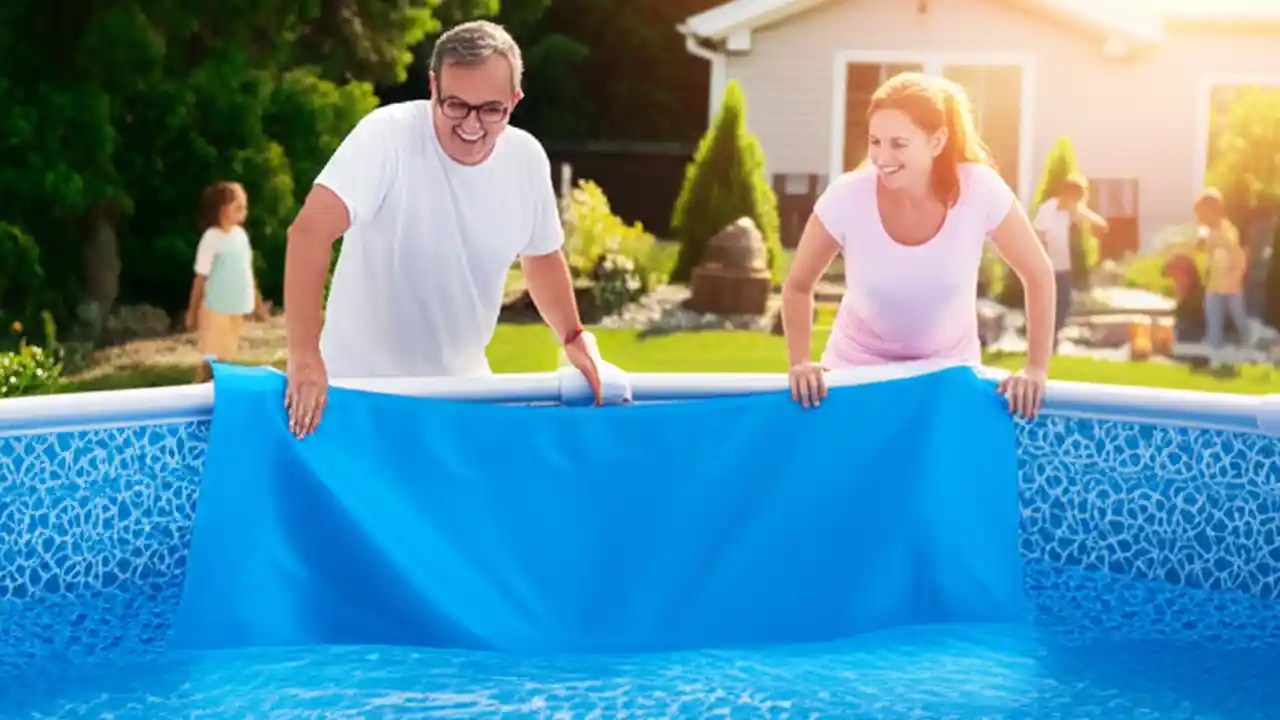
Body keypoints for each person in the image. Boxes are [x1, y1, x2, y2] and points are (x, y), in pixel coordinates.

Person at [281, 20, 604, 438]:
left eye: (491, 110)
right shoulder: (387, 137)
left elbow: (541, 257)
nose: (471, 125)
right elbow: (309, 232)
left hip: (460, 395)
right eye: (455, 105)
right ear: (433, 87)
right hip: (358, 394)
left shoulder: (526, 159)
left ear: (515, 99)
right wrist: (304, 356)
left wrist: (573, 336)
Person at [781, 72, 1056, 418]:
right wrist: (801, 363)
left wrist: (1035, 369)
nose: (882, 157)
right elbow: (797, 286)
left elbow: (1038, 273)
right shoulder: (847, 196)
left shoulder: (980, 189)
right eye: (875, 141)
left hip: (948, 378)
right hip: (856, 375)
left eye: (898, 143)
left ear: (937, 142)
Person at [186, 180, 266, 383]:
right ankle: (198, 392)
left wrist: (257, 303)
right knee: (211, 360)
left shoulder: (241, 236)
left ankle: (218, 395)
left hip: (236, 308)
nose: (243, 212)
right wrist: (192, 311)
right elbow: (200, 278)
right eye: (238, 207)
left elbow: (247, 272)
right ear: (222, 210)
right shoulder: (211, 238)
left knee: (227, 358)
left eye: (244, 207)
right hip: (215, 309)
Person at [1031, 175, 1109, 351]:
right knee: (1047, 304)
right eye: (1075, 199)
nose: (1076, 204)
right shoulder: (1048, 209)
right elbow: (1037, 235)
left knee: (1063, 303)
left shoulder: (1071, 210)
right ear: (1066, 195)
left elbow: (1090, 217)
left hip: (1064, 267)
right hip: (1047, 267)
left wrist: (1100, 224)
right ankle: (1044, 340)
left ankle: (1054, 339)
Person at [1194, 188, 1250, 367]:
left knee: (1238, 317)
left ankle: (1252, 343)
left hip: (1231, 284)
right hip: (1214, 285)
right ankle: (1214, 353)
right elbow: (1205, 251)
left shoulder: (1228, 229)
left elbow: (1235, 253)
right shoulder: (1207, 231)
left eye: (1203, 212)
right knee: (1213, 318)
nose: (1201, 217)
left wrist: (1236, 276)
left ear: (1214, 210)